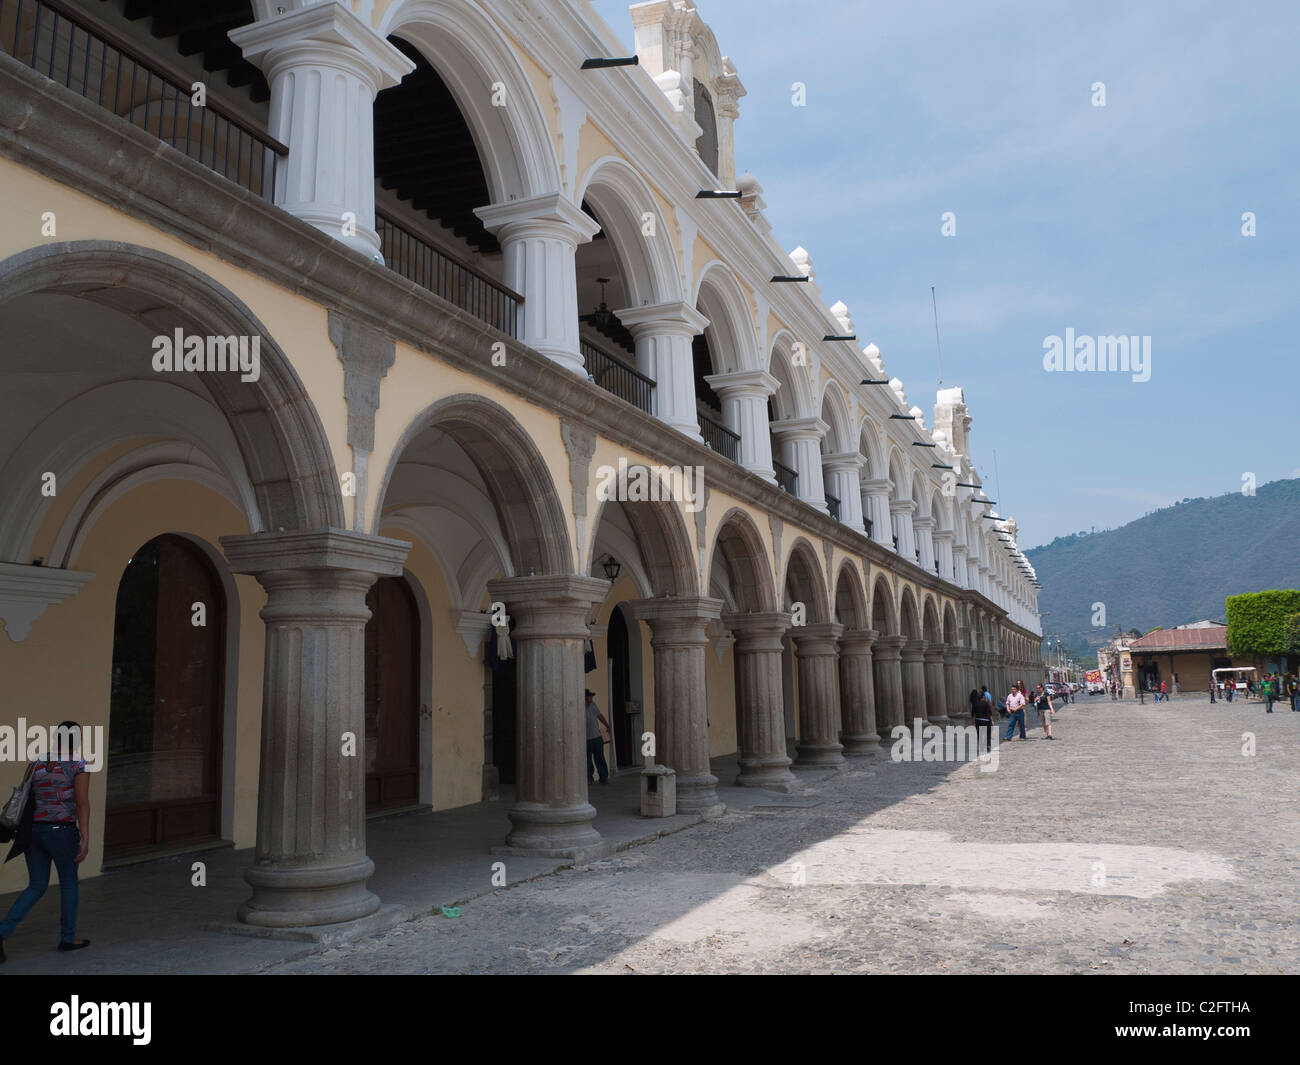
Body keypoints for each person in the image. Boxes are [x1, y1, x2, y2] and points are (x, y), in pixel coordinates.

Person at [0, 721, 91, 962]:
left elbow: (26, 798)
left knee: (36, 886)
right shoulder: (78, 765)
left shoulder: (36, 763)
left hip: (33, 833)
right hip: (62, 833)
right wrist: (85, 837)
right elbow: (82, 803)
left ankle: (1, 933)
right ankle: (67, 938)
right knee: (69, 883)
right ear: (76, 740)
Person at [585, 689, 611, 785]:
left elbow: (599, 716)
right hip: (585, 738)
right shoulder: (579, 707)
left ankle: (603, 777)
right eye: (590, 696)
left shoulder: (593, 705)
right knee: (587, 759)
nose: (591, 697)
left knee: (599, 757)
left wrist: (607, 725)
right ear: (585, 697)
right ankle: (589, 778)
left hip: (596, 736)